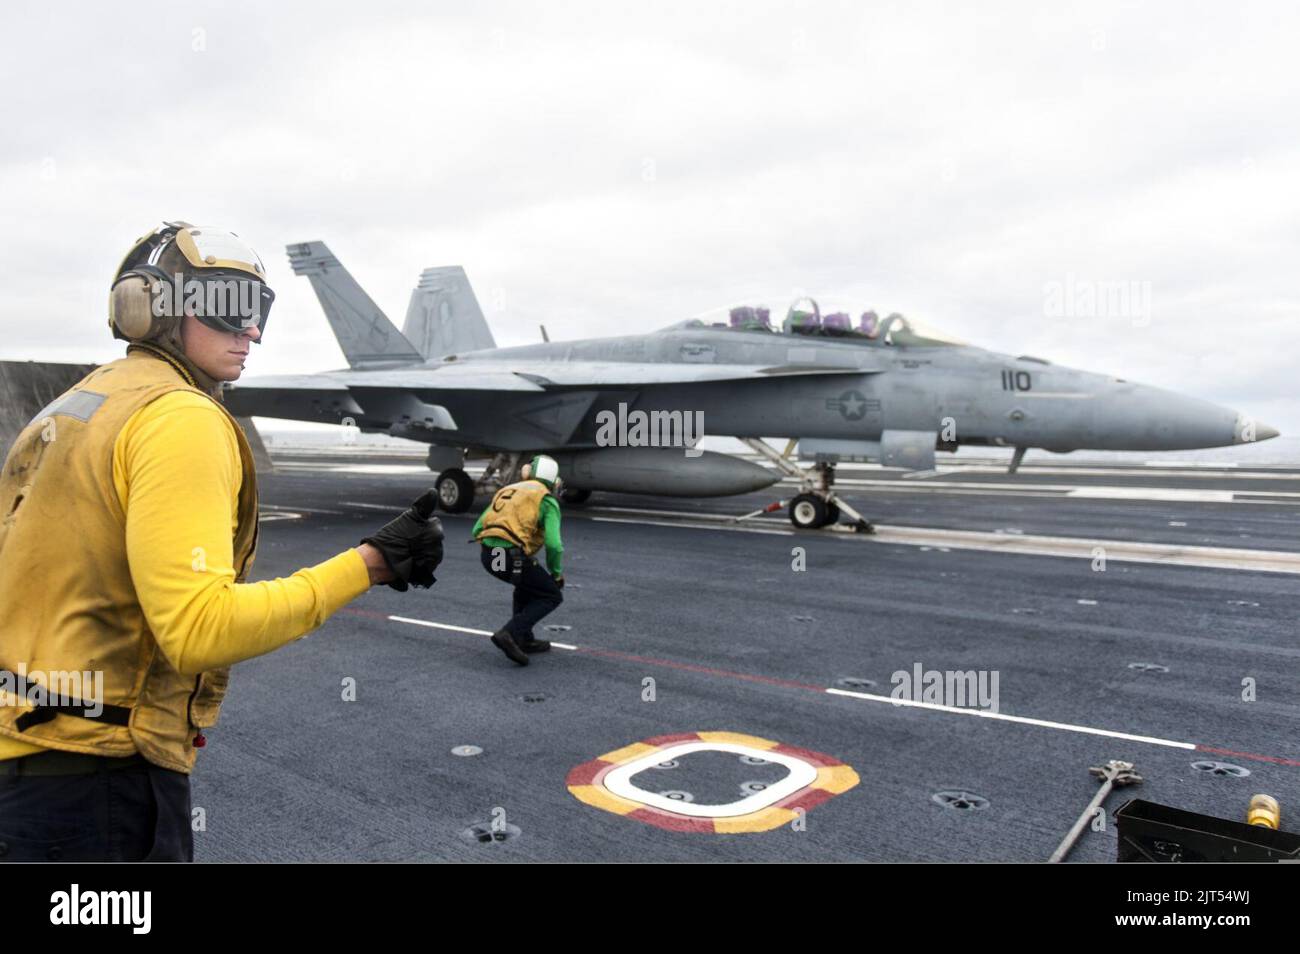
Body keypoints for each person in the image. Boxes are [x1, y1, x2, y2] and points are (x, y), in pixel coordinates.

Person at [0, 222, 444, 862]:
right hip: (98, 794)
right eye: (230, 307)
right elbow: (199, 631)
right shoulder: (180, 417)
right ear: (148, 306)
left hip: (24, 764)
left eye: (259, 309)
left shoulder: (68, 410)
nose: (253, 331)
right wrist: (369, 564)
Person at [472, 455, 565, 666]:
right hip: (511, 557)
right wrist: (556, 574)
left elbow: (477, 528)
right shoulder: (546, 500)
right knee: (551, 595)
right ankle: (510, 633)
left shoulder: (508, 491)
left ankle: (524, 639)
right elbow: (554, 545)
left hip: (488, 556)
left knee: (525, 585)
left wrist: (497, 545)